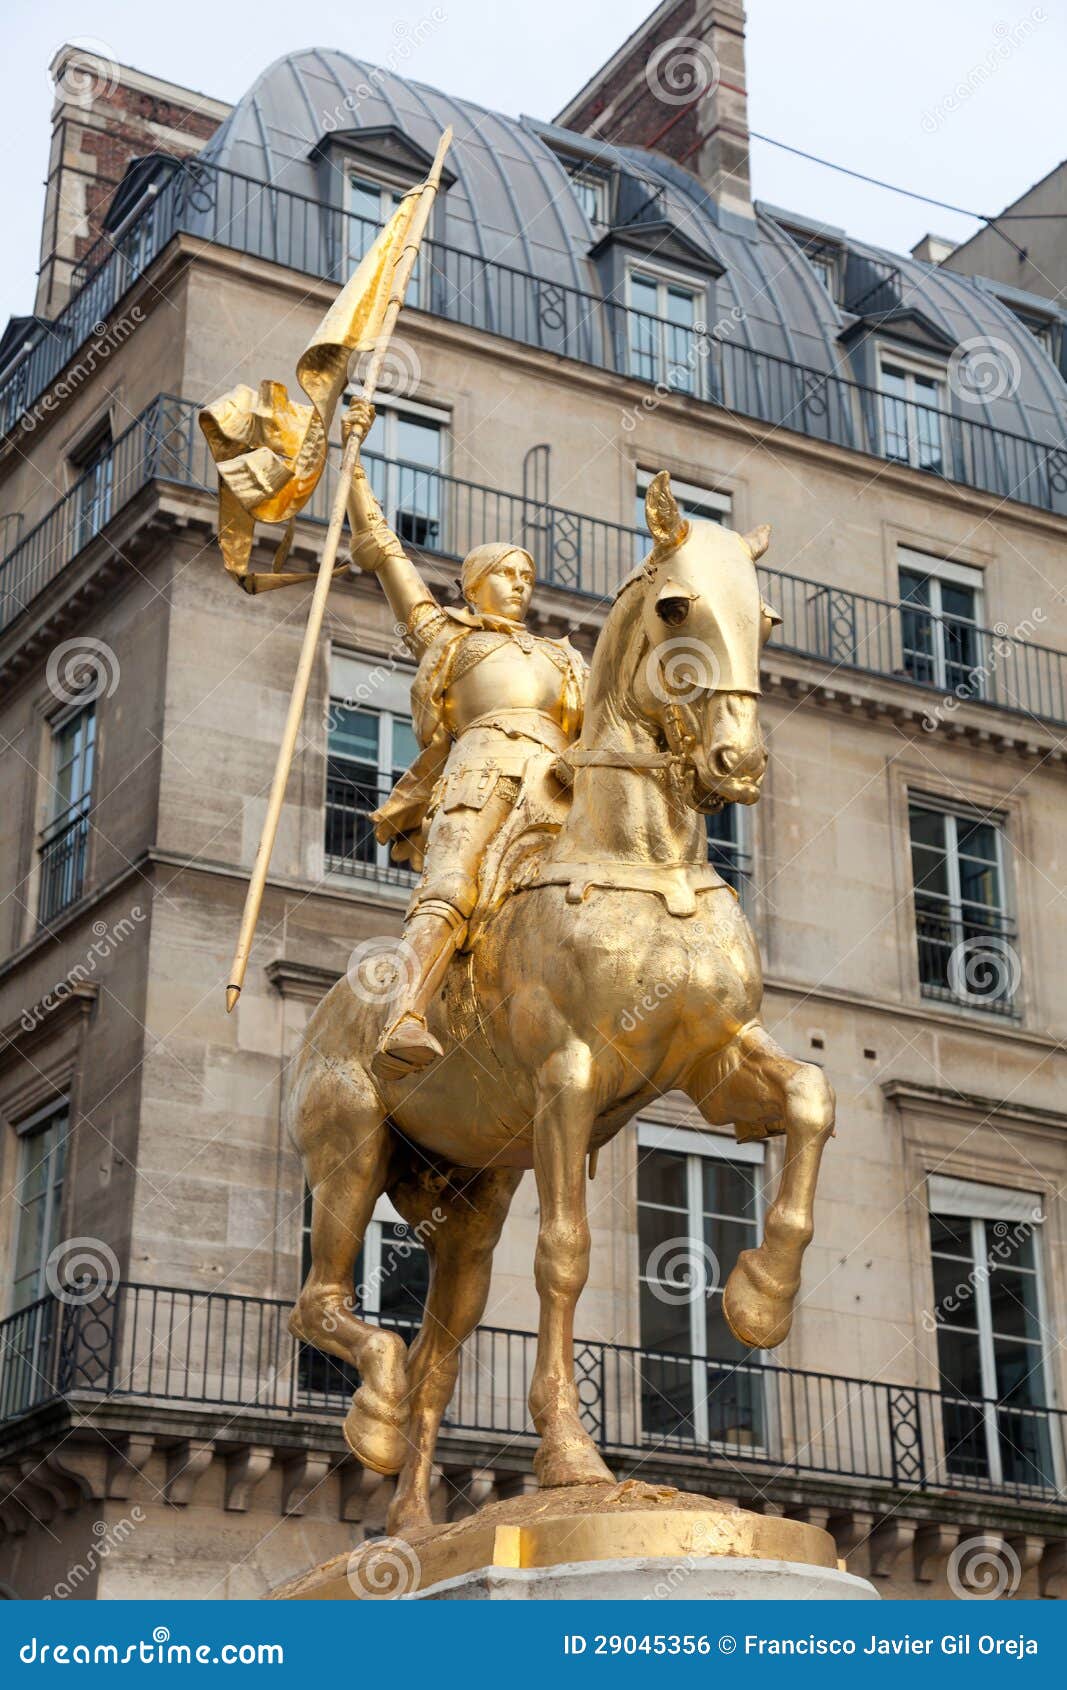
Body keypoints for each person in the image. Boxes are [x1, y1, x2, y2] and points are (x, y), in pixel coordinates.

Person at [343, 399, 586, 1080]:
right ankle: (405, 1014)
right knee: (452, 885)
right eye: (507, 574)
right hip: (479, 776)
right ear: (474, 584)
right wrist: (352, 461)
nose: (520, 585)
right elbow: (383, 551)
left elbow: (608, 722)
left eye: (527, 577)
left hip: (560, 786)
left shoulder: (563, 656)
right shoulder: (447, 637)